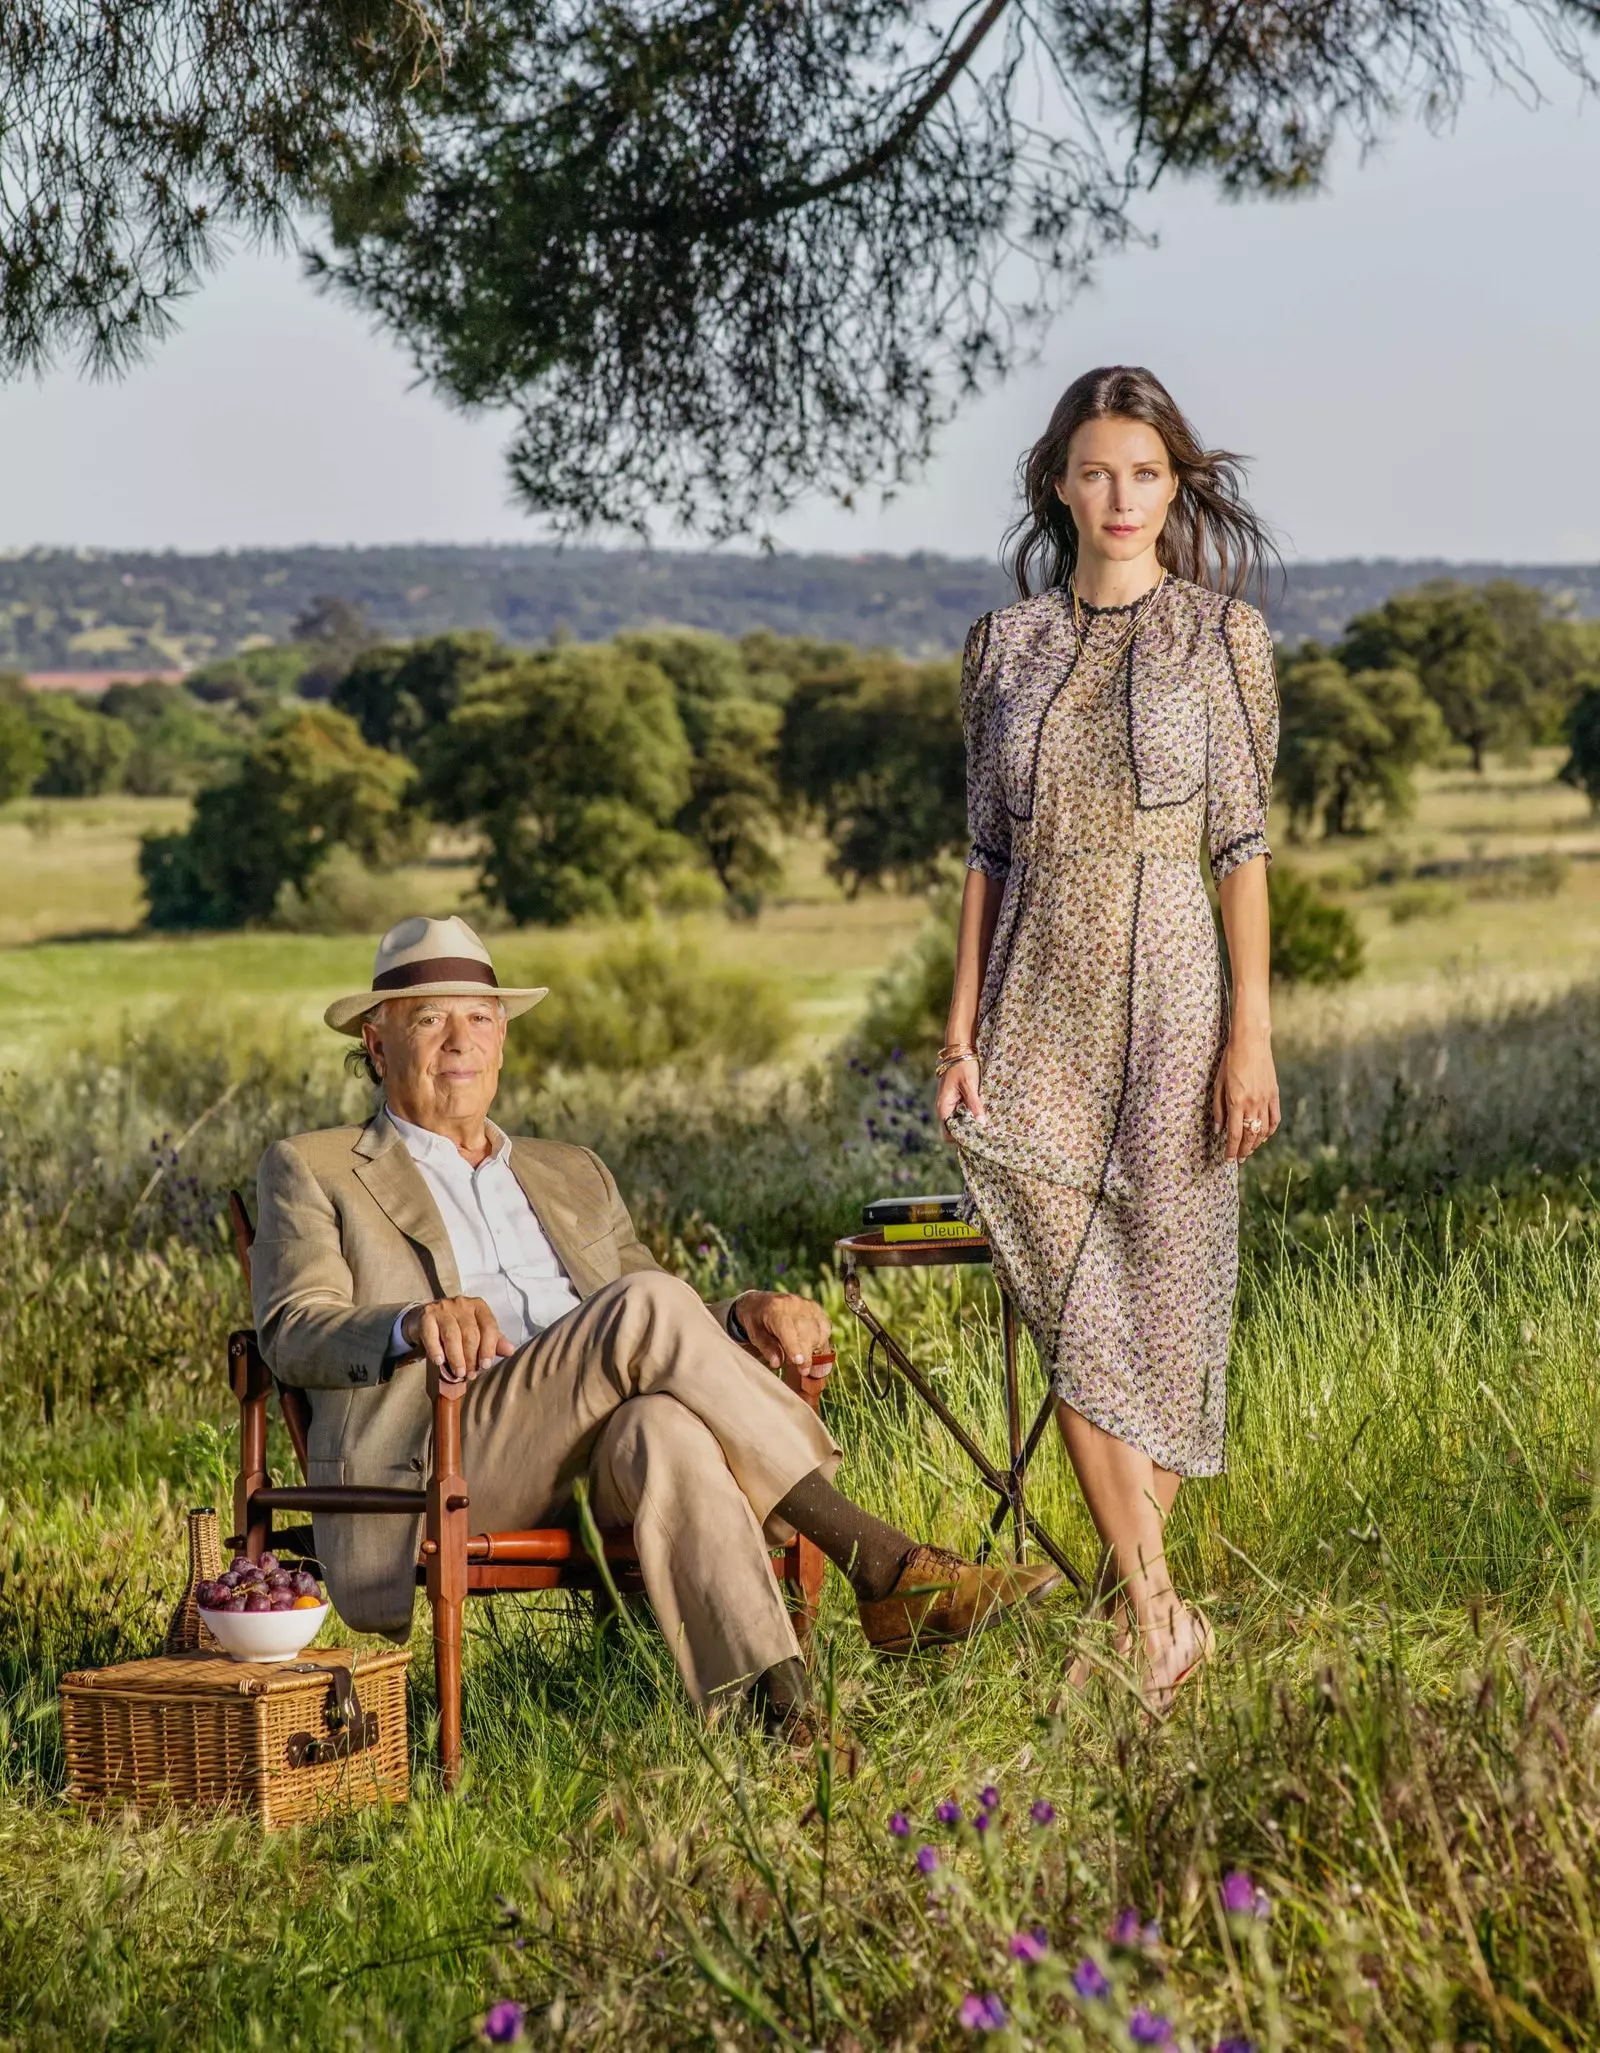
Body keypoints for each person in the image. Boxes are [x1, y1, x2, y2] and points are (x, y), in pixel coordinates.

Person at [252, 915, 1063, 1736]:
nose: (460, 1039)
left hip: (593, 1451)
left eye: (481, 1017)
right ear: (377, 1039)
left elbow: (653, 1331)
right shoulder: (314, 1167)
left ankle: (782, 1723)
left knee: (663, 1427)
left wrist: (738, 1314)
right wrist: (409, 1321)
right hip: (445, 1456)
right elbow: (292, 1329)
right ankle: (882, 1563)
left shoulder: (571, 1171)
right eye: (430, 1018)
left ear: (502, 1041)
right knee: (646, 1306)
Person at [936, 365, 1280, 1710]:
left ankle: (1144, 1599)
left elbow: (1242, 848)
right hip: (1038, 996)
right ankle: (1155, 1610)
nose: (1121, 496)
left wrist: (1251, 1035)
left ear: (1174, 485)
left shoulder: (1222, 636)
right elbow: (984, 854)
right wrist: (960, 1028)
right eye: (1096, 471)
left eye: (1145, 471)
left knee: (1171, 1301)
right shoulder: (1003, 645)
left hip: (1181, 992)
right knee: (1076, 1304)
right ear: (1060, 486)